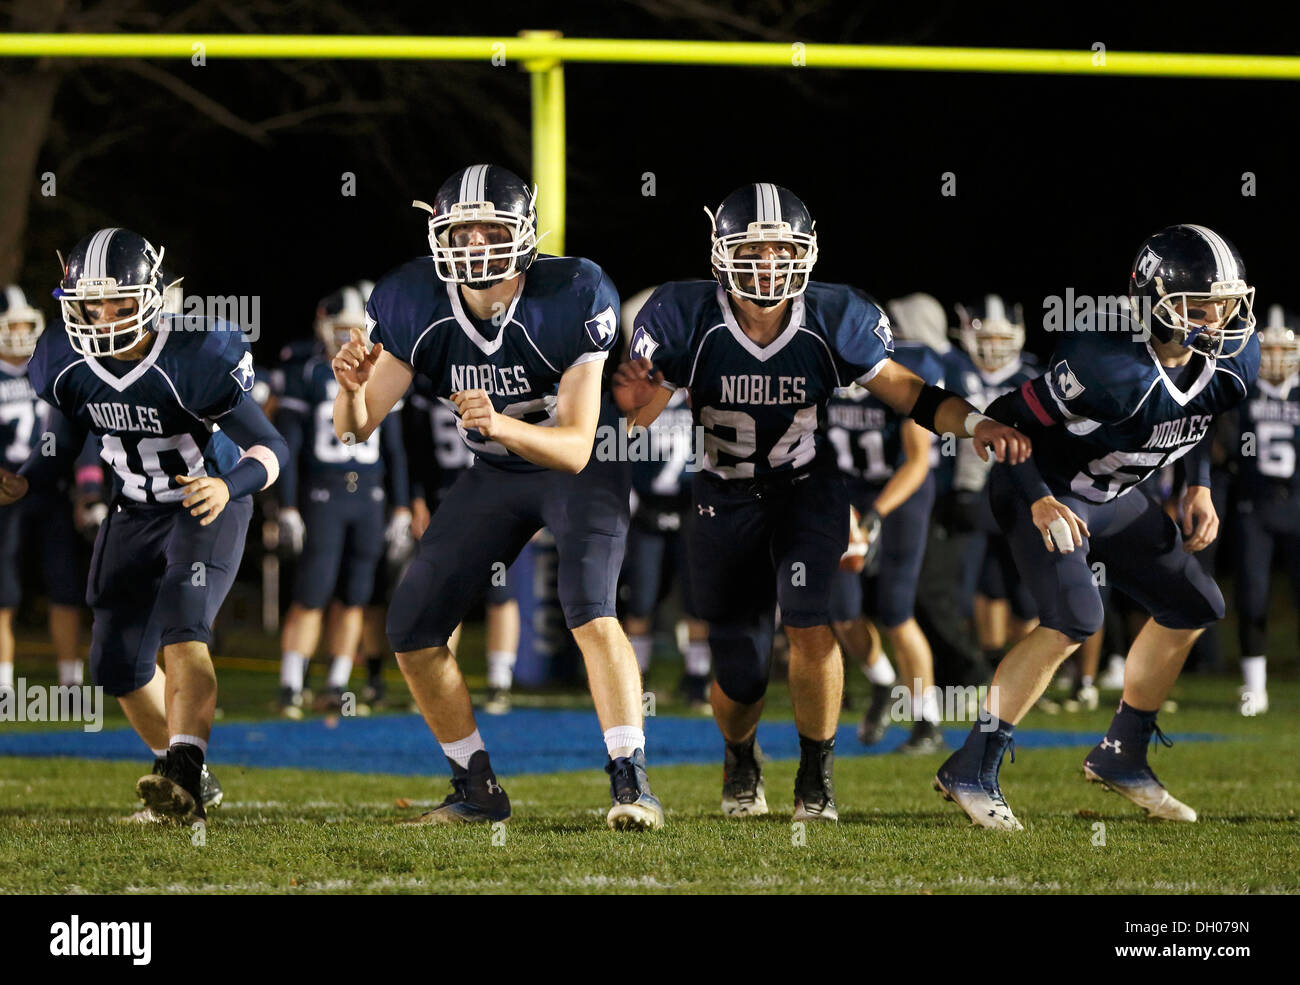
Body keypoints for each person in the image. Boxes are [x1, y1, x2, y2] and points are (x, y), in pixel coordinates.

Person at [614, 183, 1029, 820]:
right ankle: (741, 755)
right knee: (742, 668)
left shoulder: (834, 316)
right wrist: (601, 432)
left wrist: (976, 425)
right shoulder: (683, 314)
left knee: (811, 622)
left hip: (806, 491)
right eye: (754, 249)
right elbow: (634, 411)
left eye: (783, 249)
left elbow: (910, 392)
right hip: (723, 498)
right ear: (723, 254)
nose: (769, 264)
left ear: (806, 253)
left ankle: (816, 775)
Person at [332, 164, 662, 830]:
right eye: (462, 229)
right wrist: (350, 387)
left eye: (491, 229)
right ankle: (476, 786)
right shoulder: (415, 302)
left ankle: (631, 781)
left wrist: (499, 421)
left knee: (590, 608)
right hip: (493, 474)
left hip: (578, 470)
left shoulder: (572, 291)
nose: (476, 243)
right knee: (412, 628)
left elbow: (572, 444)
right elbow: (356, 428)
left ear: (524, 233)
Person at [934, 224, 1257, 829]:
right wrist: (1037, 499)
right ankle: (971, 765)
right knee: (1077, 618)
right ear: (1153, 301)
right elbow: (1006, 418)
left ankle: (1123, 755)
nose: (1220, 318)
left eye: (1229, 302)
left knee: (1195, 602)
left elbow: (1198, 408)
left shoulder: (1235, 358)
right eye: (1201, 304)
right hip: (1044, 488)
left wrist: (1199, 485)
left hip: (1114, 496)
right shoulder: (1105, 363)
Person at [0, 228, 287, 824]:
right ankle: (187, 780)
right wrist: (28, 475)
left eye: (120, 303)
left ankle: (182, 766)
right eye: (90, 304)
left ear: (153, 298)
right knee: (117, 666)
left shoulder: (197, 355)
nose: (103, 318)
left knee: (185, 627)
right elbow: (64, 434)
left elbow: (271, 445)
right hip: (132, 508)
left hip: (203, 502)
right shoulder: (62, 357)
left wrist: (226, 486)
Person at [273, 283, 411, 716]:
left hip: (368, 497)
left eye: (354, 327)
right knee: (311, 594)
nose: (346, 336)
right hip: (323, 495)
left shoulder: (381, 369)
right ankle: (291, 686)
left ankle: (336, 685)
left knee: (355, 597)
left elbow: (395, 448)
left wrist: (402, 506)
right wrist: (289, 506)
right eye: (339, 327)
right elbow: (290, 446)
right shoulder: (307, 372)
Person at [827, 339, 943, 751]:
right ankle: (881, 681)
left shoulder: (904, 373)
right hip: (843, 491)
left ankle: (927, 720)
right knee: (841, 610)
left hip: (902, 493)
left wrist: (874, 515)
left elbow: (917, 462)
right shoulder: (814, 364)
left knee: (896, 609)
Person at [0, 285, 91, 696]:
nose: (19, 332)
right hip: (4, 495)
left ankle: (70, 685)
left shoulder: (53, 366)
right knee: (4, 593)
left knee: (66, 586)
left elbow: (80, 430)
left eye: (24, 324)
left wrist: (86, 489)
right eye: (10, 325)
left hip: (51, 491)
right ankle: (4, 685)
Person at [1228, 304, 1300, 716]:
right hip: (1254, 508)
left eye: (1282, 349)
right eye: (1266, 349)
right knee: (1252, 598)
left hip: (1298, 505)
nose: (1274, 357)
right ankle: (1254, 687)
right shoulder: (1243, 391)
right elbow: (1233, 450)